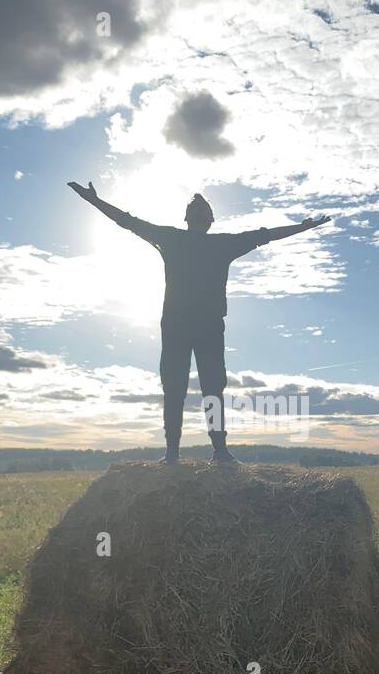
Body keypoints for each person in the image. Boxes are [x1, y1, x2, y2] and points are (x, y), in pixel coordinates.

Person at [68, 182, 330, 463]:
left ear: (208, 219)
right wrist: (94, 201)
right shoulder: (188, 240)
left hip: (200, 326)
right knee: (180, 387)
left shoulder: (196, 241)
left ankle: (214, 450)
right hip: (185, 325)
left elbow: (265, 235)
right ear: (193, 218)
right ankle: (178, 452)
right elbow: (127, 221)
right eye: (197, 209)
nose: (201, 214)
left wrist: (302, 228)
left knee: (205, 387)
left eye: (203, 210)